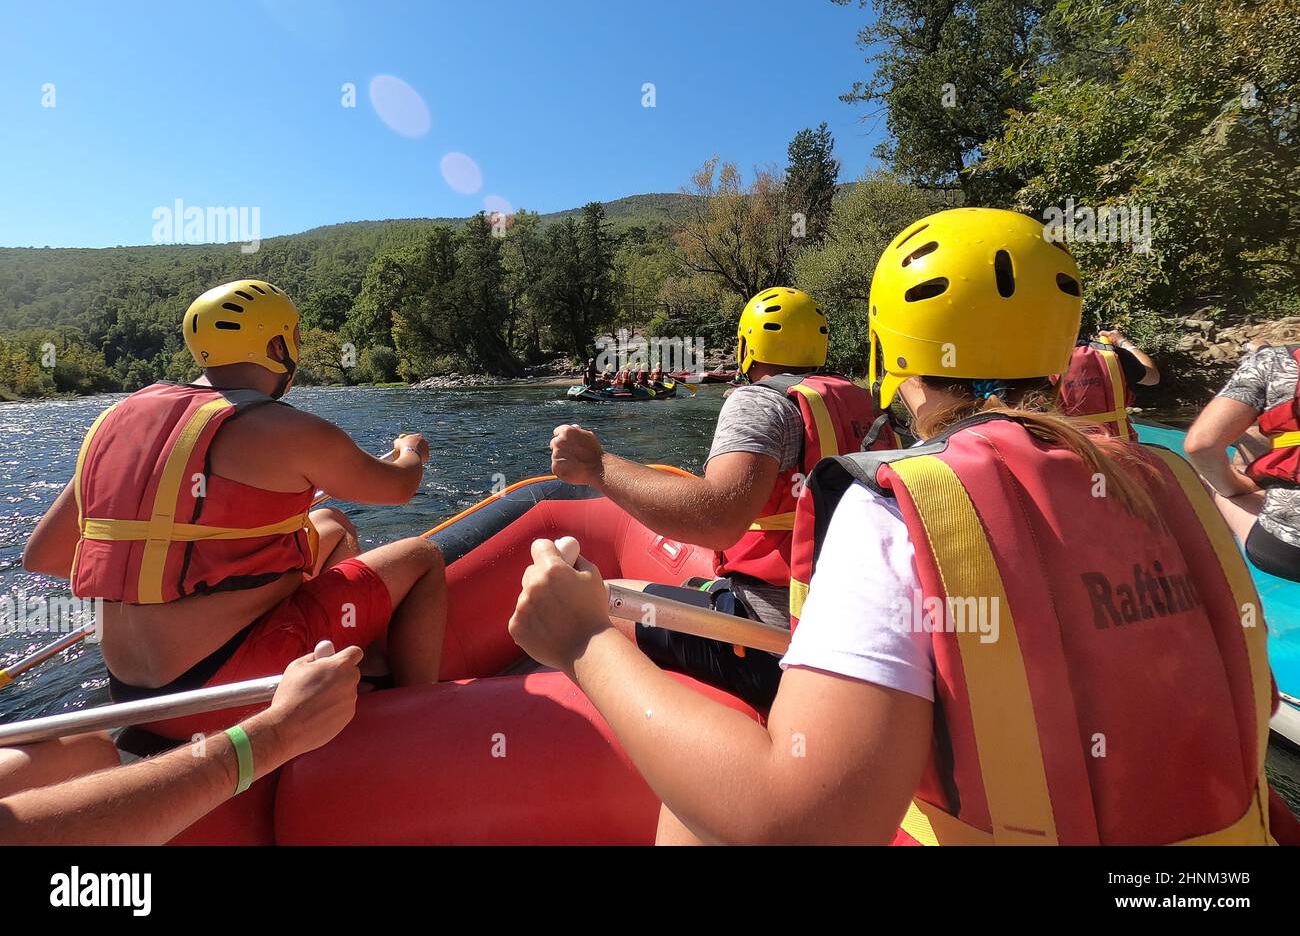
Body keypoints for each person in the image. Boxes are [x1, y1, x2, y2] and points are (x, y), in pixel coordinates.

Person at [513, 208, 1290, 845]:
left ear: (895, 348)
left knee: (695, 808)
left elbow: (796, 821)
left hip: (769, 628)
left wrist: (583, 639)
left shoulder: (891, 509)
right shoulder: (1173, 482)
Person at [22, 280, 446, 743]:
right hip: (228, 688)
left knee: (330, 522)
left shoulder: (115, 422)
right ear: (279, 346)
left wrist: (195, 574)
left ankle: (341, 646)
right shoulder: (286, 429)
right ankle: (416, 724)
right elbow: (399, 487)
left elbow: (44, 556)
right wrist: (410, 450)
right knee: (423, 556)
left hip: (133, 695)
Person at [548, 287, 893, 710]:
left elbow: (716, 521)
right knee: (660, 588)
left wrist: (595, 466)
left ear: (747, 345)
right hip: (857, 628)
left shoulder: (761, 401)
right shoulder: (860, 400)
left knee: (590, 599)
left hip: (776, 644)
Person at [0, 641, 362, 845]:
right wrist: (279, 732)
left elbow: (42, 557)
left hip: (139, 681)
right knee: (416, 557)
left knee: (79, 747)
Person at [1185, 340, 1300, 583]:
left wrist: (1235, 488)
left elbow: (1201, 445)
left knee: (1211, 480)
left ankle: (1212, 577)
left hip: (1290, 550)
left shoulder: (1275, 360)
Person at [1055, 329, 1160, 439]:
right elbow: (1153, 377)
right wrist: (1123, 342)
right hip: (1119, 446)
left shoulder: (1040, 361)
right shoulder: (1111, 354)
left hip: (1067, 446)